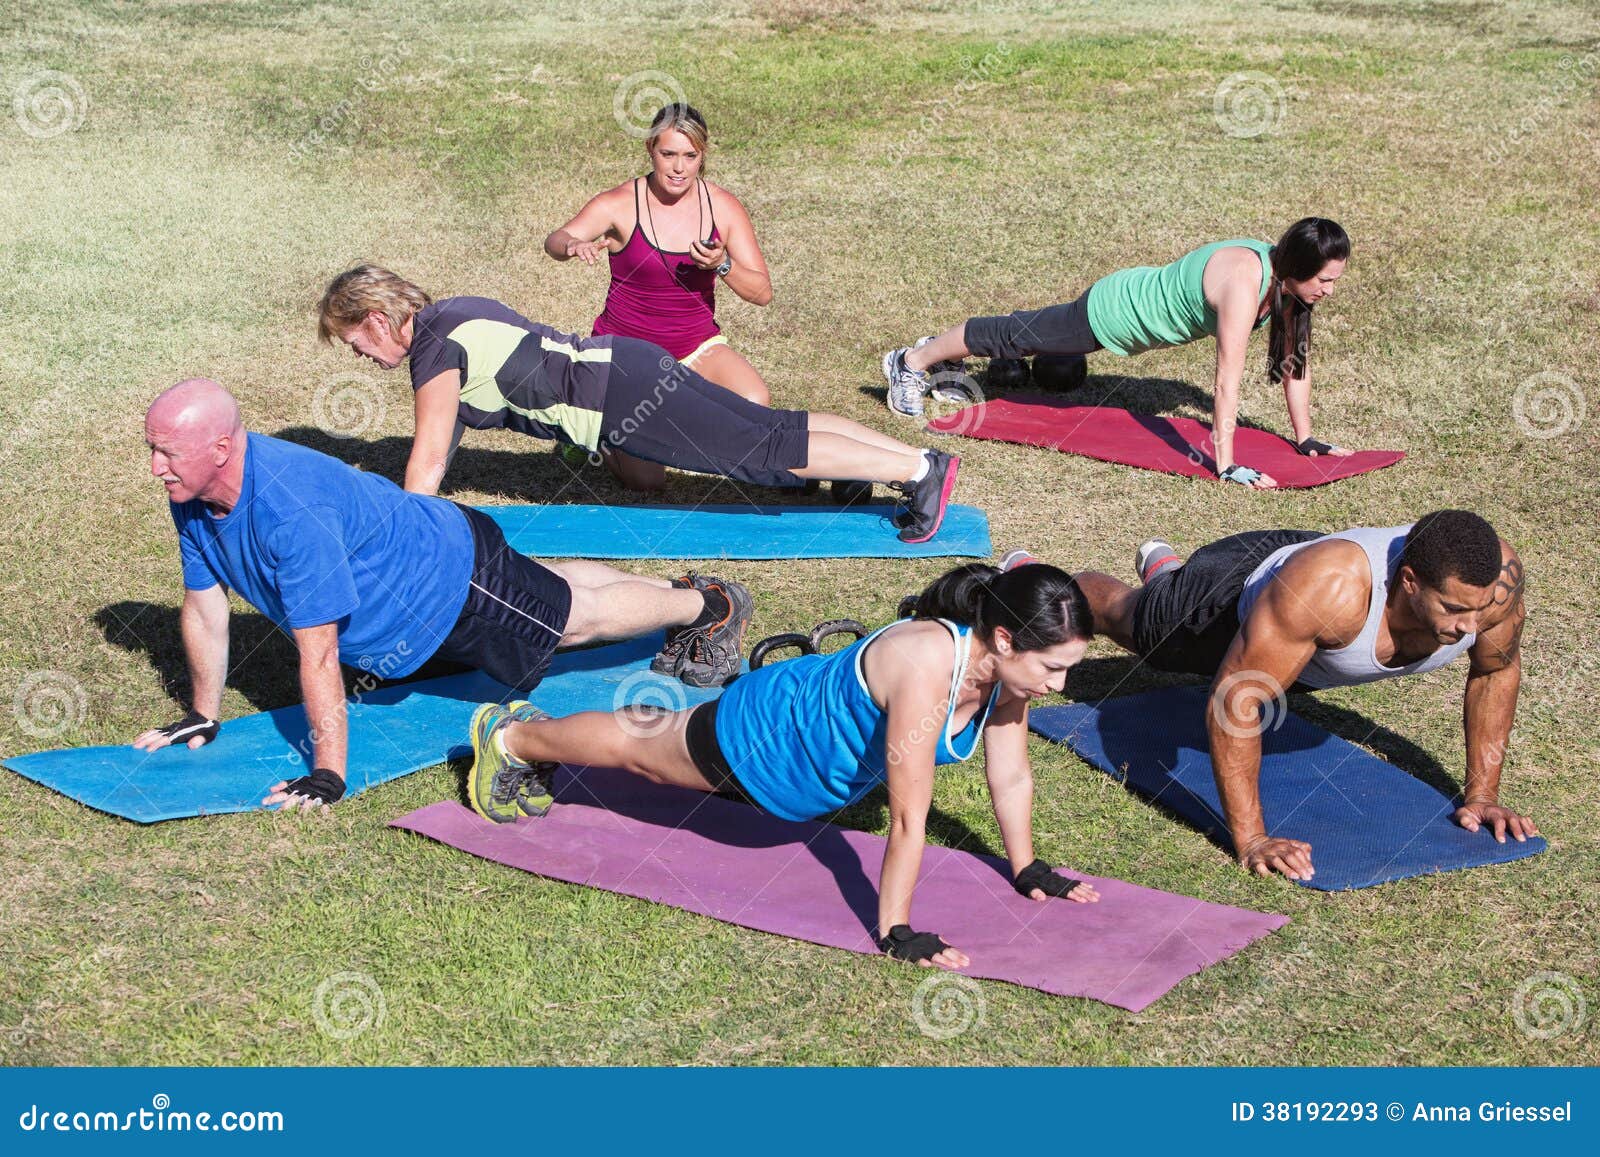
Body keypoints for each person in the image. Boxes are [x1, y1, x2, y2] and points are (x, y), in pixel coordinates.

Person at [131, 379, 754, 810]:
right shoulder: (193, 494)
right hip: (423, 587)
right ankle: (686, 594)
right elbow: (205, 607)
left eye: (168, 453)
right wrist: (202, 712)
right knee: (554, 591)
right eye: (154, 450)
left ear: (220, 449)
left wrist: (327, 773)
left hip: (450, 581)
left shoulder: (291, 510)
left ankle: (706, 606)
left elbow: (317, 651)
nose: (156, 467)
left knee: (570, 620)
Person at [463, 561, 1103, 970]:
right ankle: (514, 738)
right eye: (1053, 667)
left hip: (802, 775)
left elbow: (1011, 774)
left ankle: (527, 735)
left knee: (650, 743)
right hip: (761, 738)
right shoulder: (926, 669)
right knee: (645, 753)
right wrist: (897, 930)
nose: (1058, 684)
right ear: (1004, 639)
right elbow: (908, 817)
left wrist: (1027, 868)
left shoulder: (1008, 680)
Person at [316, 266, 959, 543]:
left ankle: (918, 474)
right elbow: (447, 434)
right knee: (772, 427)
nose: (360, 359)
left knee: (765, 452)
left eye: (355, 345)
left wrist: (404, 531)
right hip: (625, 364)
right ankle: (897, 464)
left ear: (377, 321)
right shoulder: (452, 314)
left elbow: (429, 454)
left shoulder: (432, 350)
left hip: (620, 400)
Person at [1059, 509, 1533, 880]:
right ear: (1409, 582)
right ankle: (1041, 585)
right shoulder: (1329, 592)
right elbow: (1236, 700)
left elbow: (1495, 672)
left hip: (1300, 627)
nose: (1472, 628)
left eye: (1479, 610)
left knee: (1277, 658)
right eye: (1453, 609)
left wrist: (1483, 795)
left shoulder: (1495, 588)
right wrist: (1252, 839)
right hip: (1228, 595)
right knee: (1138, 624)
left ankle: (1169, 571)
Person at [883, 218, 1353, 487]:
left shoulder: (1285, 285)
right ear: (1297, 266)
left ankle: (975, 354)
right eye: (1326, 280)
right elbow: (1225, 382)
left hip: (1127, 312)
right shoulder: (1244, 285)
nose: (1331, 290)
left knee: (1042, 348)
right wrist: (1225, 464)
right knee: (1015, 336)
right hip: (1115, 311)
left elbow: (1295, 365)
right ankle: (912, 361)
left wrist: (1306, 438)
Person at [544, 103, 773, 490]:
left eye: (690, 156)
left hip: (698, 348)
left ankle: (657, 420)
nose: (679, 167)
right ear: (651, 149)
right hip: (628, 354)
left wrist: (723, 264)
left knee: (754, 405)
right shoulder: (619, 203)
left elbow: (762, 292)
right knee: (647, 481)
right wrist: (571, 245)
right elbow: (555, 239)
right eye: (668, 154)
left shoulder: (724, 206)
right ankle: (586, 431)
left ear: (703, 155)